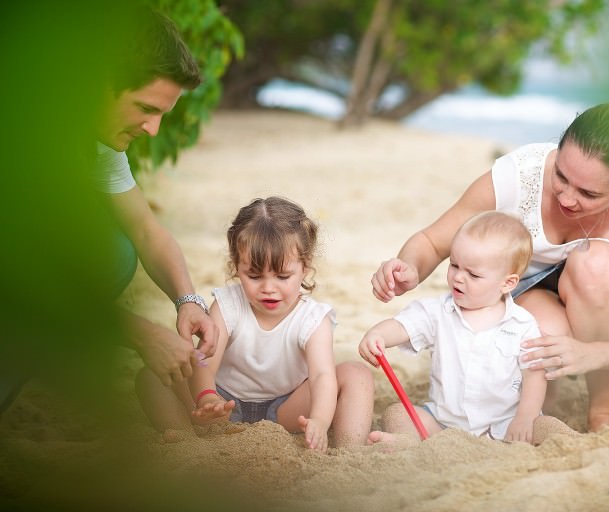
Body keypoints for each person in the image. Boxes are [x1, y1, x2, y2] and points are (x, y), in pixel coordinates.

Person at [370, 102, 609, 432]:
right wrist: (406, 268)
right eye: (561, 176)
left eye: (588, 193)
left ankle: (603, 410)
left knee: (597, 264)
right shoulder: (521, 174)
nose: (566, 198)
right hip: (523, 298)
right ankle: (540, 403)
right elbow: (433, 243)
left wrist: (595, 354)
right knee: (539, 337)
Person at [0, 6, 218, 416]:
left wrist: (187, 300)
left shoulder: (95, 141)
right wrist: (140, 334)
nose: (152, 130)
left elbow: (145, 229)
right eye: (145, 109)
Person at [137, 197, 374, 452]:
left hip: (287, 408)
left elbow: (321, 376)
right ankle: (184, 440)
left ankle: (351, 449)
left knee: (356, 374)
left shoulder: (313, 318)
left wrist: (319, 419)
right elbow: (205, 361)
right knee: (151, 376)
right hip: (223, 403)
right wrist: (207, 396)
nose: (268, 288)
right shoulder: (227, 305)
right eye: (253, 275)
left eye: (283, 276)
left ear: (305, 268)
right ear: (236, 266)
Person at [360, 211, 550, 445]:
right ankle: (406, 442)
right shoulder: (438, 311)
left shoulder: (523, 324)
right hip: (443, 424)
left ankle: (571, 443)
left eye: (473, 274)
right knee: (397, 412)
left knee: (545, 425)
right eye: (454, 265)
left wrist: (525, 417)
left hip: (504, 425)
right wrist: (378, 334)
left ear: (507, 283)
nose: (459, 277)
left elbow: (534, 375)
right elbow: (403, 326)